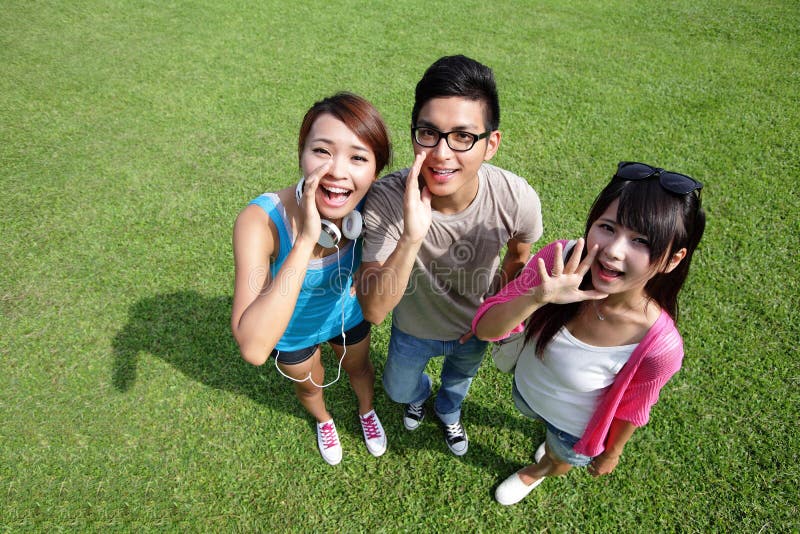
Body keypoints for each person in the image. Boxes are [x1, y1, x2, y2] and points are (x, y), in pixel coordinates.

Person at [472, 162, 705, 505]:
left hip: (574, 428)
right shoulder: (558, 261)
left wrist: (612, 452)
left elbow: (634, 408)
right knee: (532, 414)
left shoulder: (658, 345)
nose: (613, 250)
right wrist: (539, 297)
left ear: (673, 259)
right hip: (527, 391)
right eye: (607, 227)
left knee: (558, 457)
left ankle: (537, 471)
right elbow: (485, 329)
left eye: (641, 240)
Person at [358, 55, 543, 456]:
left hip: (472, 330)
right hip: (413, 329)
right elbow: (373, 311)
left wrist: (493, 315)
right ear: (414, 136)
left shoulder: (516, 198)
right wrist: (412, 235)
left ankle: (448, 411)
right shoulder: (388, 199)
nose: (441, 153)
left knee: (457, 385)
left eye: (462, 137)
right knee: (398, 388)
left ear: (491, 144)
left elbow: (519, 257)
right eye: (429, 133)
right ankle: (419, 397)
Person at [231, 93, 392, 465]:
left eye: (358, 157)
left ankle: (366, 412)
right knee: (310, 386)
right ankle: (324, 420)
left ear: (374, 172)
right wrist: (305, 238)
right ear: (301, 153)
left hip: (347, 315)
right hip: (289, 331)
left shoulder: (371, 205)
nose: (337, 171)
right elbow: (254, 348)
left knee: (360, 369)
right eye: (322, 151)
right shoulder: (260, 221)